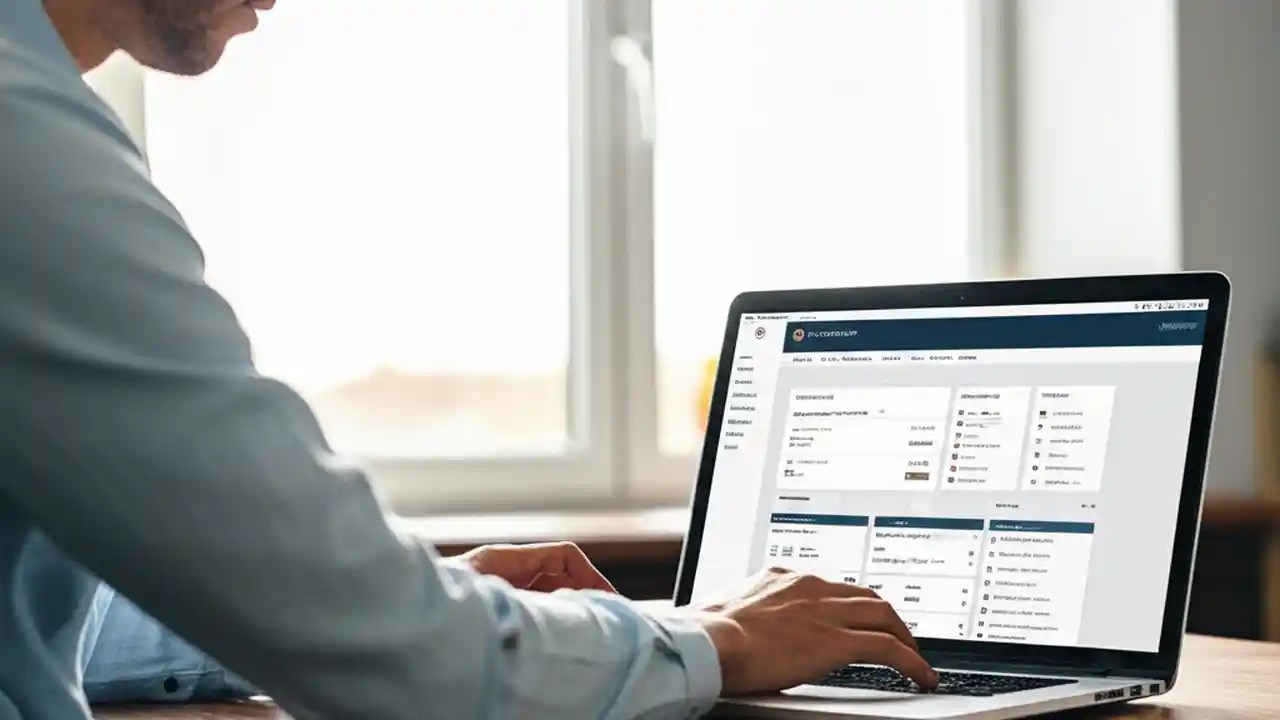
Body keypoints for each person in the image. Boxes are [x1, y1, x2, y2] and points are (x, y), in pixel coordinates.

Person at [0, 1, 938, 718]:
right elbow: (392, 664)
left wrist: (351, 606)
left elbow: (47, 622)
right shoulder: (30, 150)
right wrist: (710, 640)